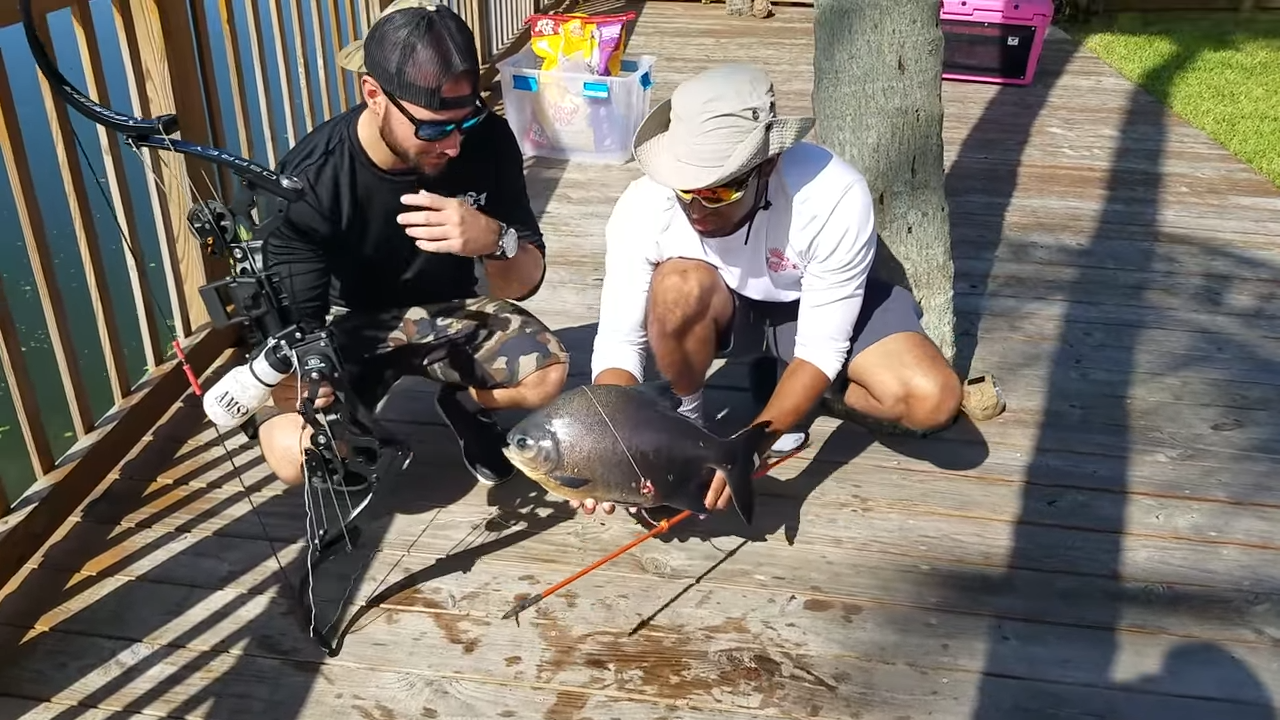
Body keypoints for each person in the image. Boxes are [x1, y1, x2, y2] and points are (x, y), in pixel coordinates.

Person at [581, 64, 964, 517]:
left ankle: (805, 390)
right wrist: (608, 442)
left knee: (933, 401)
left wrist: (751, 447)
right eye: (686, 190)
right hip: (717, 307)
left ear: (768, 163)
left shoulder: (833, 194)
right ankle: (684, 425)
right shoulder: (644, 203)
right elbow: (620, 344)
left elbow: (821, 348)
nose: (697, 207)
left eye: (718, 192)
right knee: (676, 285)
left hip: (810, 307)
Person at [253, 0, 569, 491]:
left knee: (545, 376)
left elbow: (523, 284)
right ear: (373, 94)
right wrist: (300, 385)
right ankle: (355, 427)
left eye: (464, 121)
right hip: (350, 325)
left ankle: (461, 401)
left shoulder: (488, 140)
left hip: (451, 309)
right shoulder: (311, 181)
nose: (453, 146)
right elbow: (298, 329)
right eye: (434, 127)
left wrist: (494, 239)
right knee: (293, 454)